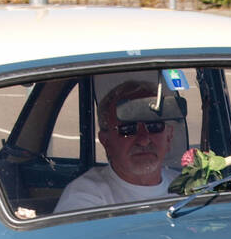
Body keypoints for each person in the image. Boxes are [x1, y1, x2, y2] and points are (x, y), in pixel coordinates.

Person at [55, 80, 181, 212]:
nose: (143, 140)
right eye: (128, 129)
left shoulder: (190, 189)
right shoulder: (84, 198)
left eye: (154, 126)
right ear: (106, 141)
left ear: (169, 136)